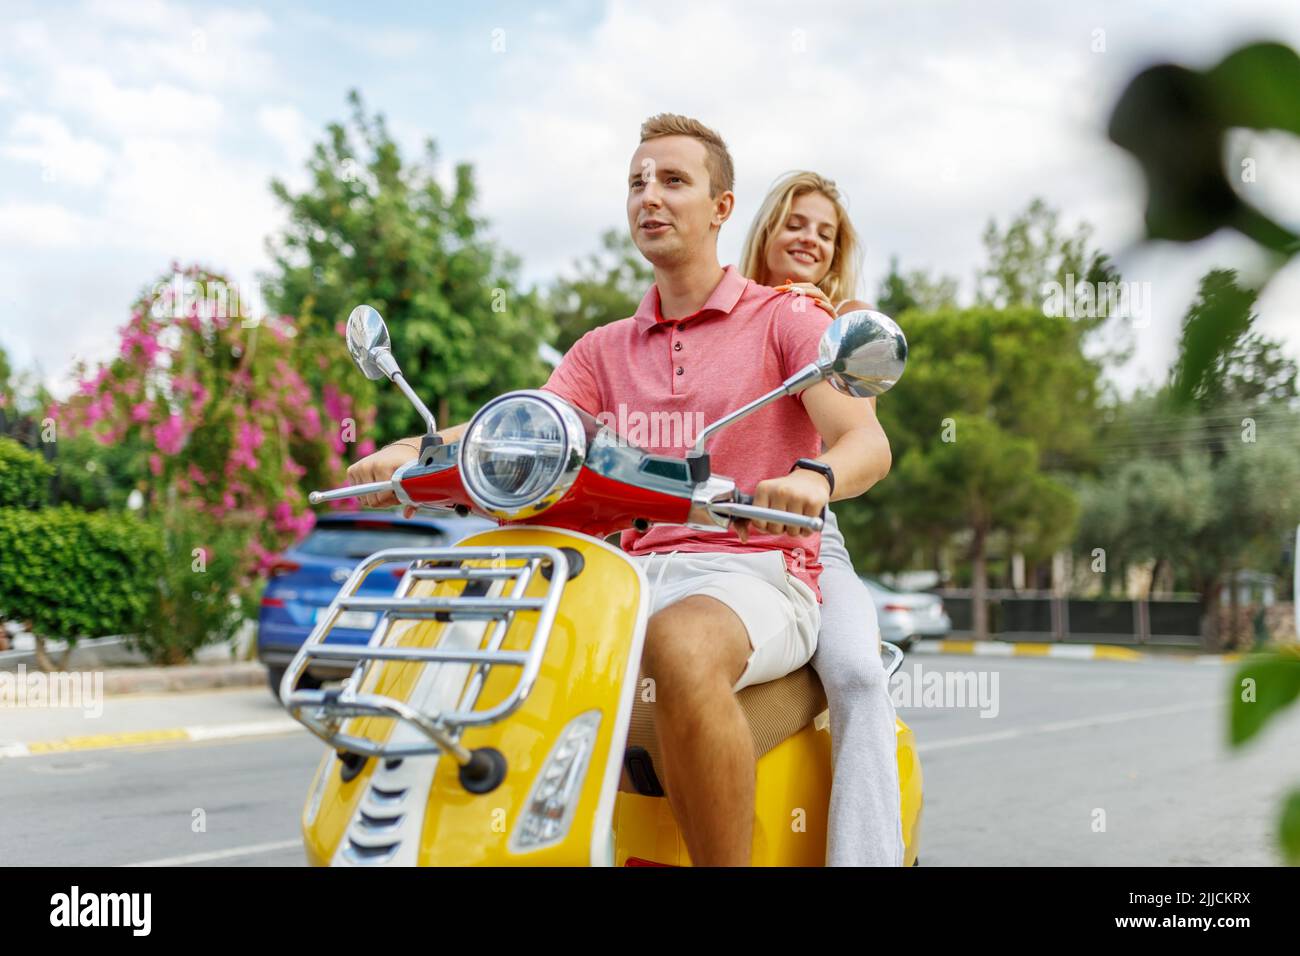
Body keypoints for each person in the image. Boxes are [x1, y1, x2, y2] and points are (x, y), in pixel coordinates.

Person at [345, 115, 892, 865]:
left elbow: (866, 440)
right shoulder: (602, 349)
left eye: (673, 181)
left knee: (681, 643)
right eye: (637, 183)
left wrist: (814, 476)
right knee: (465, 625)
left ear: (722, 209)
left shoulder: (787, 318)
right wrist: (413, 449)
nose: (650, 197)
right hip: (624, 576)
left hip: (753, 569)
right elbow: (522, 431)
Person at [738, 170, 905, 866]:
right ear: (768, 231)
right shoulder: (723, 311)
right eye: (795, 223)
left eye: (825, 232)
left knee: (859, 676)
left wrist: (819, 321)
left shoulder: (836, 321)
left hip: (810, 537)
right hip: (704, 530)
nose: (808, 238)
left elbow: (864, 431)